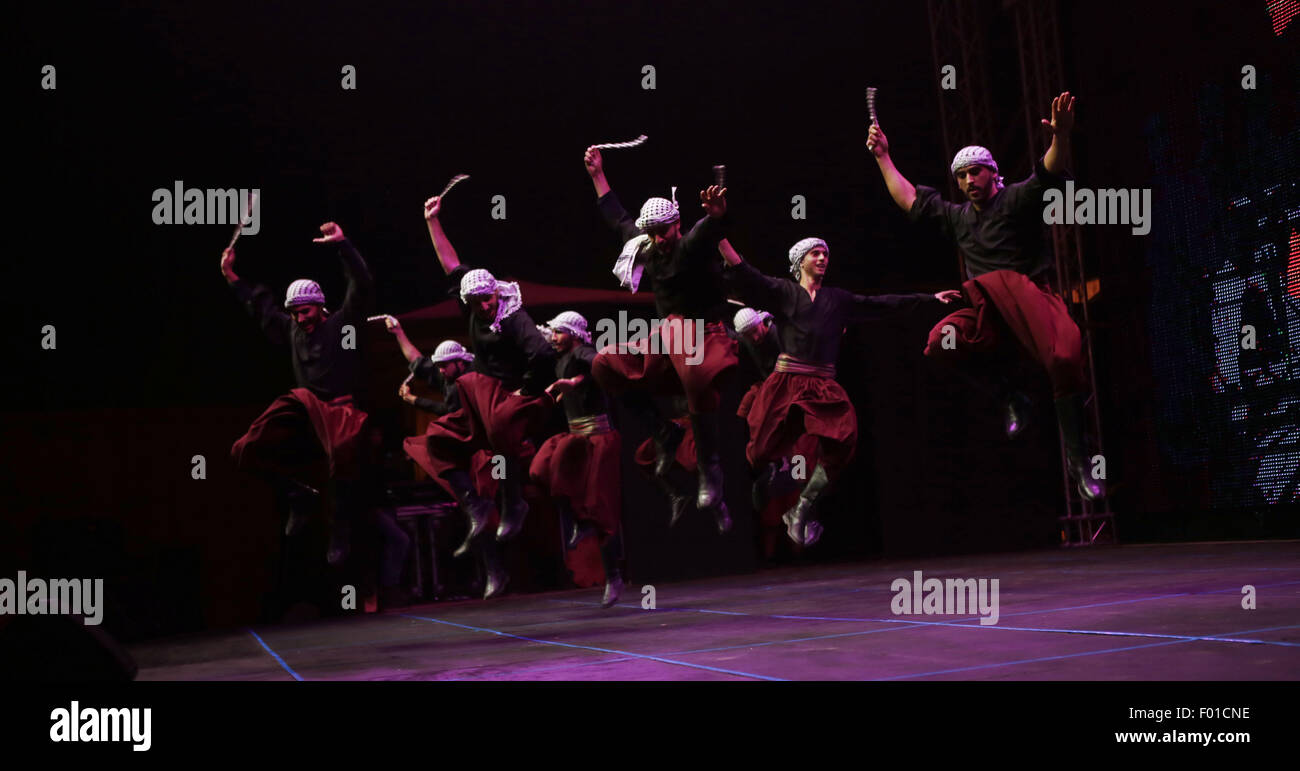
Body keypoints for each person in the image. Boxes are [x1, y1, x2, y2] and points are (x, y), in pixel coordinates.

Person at [868, 91, 1105, 500]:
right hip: (989, 311)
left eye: (976, 172)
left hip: (1030, 299)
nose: (968, 182)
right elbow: (908, 198)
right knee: (940, 341)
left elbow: (1048, 171)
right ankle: (1012, 398)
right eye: (961, 176)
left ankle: (1078, 460)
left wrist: (1061, 137)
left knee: (1066, 356)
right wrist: (882, 157)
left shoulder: (1015, 199)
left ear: (993, 173)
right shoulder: (957, 218)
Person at [721, 237, 958, 545]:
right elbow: (744, 271)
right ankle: (762, 477)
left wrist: (930, 298)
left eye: (825, 254)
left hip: (822, 384)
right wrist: (718, 227)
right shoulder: (783, 292)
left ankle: (802, 506)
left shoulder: (838, 299)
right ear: (800, 262)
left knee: (843, 441)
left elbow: (882, 304)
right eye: (815, 254)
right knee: (761, 450)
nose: (822, 258)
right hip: (787, 381)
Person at [583, 146, 737, 532]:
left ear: (677, 224)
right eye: (651, 233)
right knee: (604, 363)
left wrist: (717, 215)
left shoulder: (690, 244)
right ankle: (663, 431)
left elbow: (709, 229)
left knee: (697, 376)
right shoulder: (646, 245)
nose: (657, 239)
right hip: (669, 338)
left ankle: (709, 467)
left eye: (663, 232)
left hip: (705, 333)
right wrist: (597, 174)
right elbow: (615, 216)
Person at [411, 194, 557, 596]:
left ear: (497, 294)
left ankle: (513, 504)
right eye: (475, 303)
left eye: (487, 300)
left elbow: (543, 354)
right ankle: (474, 505)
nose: (484, 307)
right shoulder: (471, 307)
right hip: (479, 395)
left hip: (506, 397)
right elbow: (450, 263)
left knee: (501, 433)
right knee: (436, 441)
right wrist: (432, 221)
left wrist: (523, 391)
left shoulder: (513, 317)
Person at [224, 222, 376, 565]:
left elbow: (362, 285)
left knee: (341, 458)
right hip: (307, 412)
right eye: (294, 313)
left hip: (338, 411)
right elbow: (259, 307)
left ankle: (340, 530)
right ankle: (297, 494)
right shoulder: (292, 328)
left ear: (320, 306)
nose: (299, 319)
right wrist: (231, 275)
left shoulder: (341, 325)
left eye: (304, 312)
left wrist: (344, 245)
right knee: (243, 449)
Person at [529, 311, 625, 608]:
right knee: (542, 470)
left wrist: (576, 381)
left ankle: (614, 576)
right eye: (553, 332)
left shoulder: (583, 352)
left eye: (559, 333)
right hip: (576, 437)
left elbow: (597, 364)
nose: (554, 338)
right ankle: (576, 523)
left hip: (598, 439)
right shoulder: (559, 358)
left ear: (573, 333)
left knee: (601, 508)